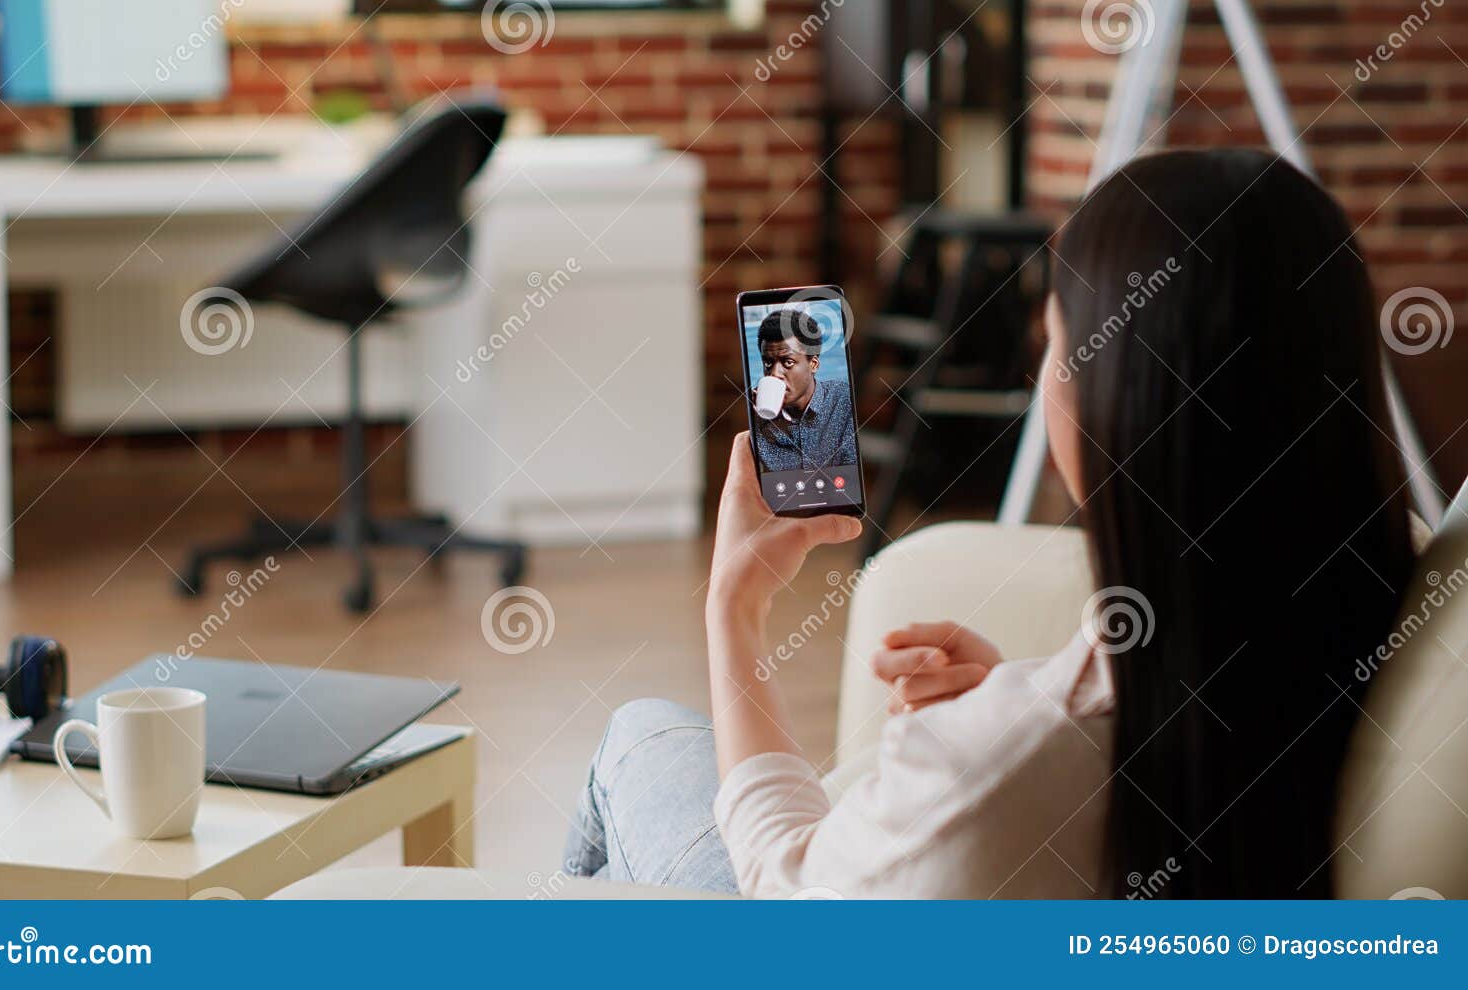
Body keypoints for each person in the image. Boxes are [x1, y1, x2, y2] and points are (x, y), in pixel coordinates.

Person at [561, 148, 1415, 898]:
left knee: (638, 735)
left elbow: (790, 890)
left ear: (1111, 402)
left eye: (1056, 344)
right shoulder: (1348, 606)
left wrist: (734, 608)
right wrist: (1018, 693)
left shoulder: (1000, 761)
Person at [750, 308, 858, 472]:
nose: (775, 374)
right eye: (768, 363)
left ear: (813, 364)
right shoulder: (758, 416)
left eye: (788, 362)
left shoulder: (843, 400)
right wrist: (761, 424)